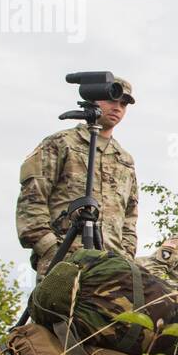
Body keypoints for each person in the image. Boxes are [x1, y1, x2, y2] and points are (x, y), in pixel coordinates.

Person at [16, 76, 138, 275]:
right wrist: (50, 249)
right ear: (93, 99)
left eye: (124, 104)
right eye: (112, 100)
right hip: (65, 260)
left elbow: (130, 216)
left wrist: (126, 257)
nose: (118, 107)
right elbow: (32, 201)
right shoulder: (61, 144)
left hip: (112, 268)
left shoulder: (124, 160)